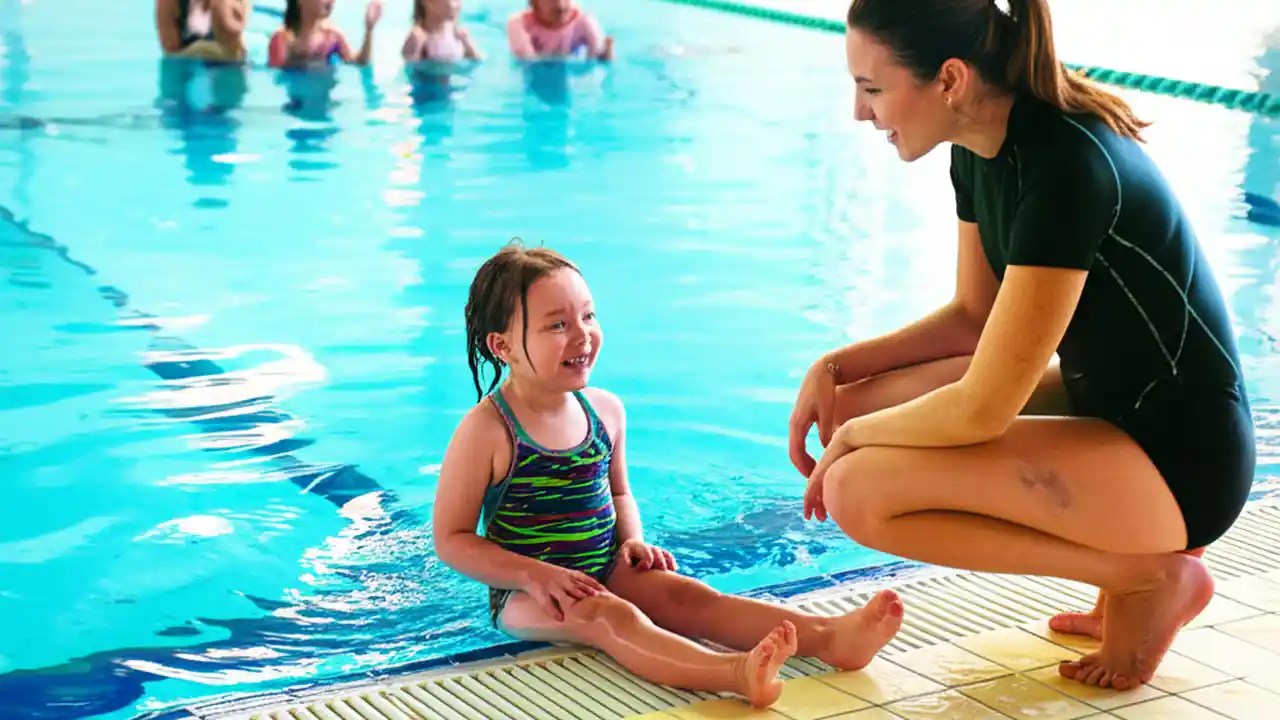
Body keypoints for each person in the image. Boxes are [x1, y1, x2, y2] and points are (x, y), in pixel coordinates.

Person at [791, 0, 1255, 692]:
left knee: (859, 488)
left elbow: (983, 408)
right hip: (1112, 403)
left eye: (872, 89)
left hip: (1182, 458)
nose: (861, 113)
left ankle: (1144, 577)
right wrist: (833, 370)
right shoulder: (983, 148)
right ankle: (1129, 571)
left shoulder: (1066, 165)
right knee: (861, 402)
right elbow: (975, 319)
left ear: (949, 79)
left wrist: (857, 437)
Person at [433, 243, 904, 708]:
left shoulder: (605, 412)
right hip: (527, 594)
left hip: (606, 566)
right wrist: (535, 576)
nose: (582, 335)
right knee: (610, 617)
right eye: (557, 324)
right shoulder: (489, 430)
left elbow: (618, 491)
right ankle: (733, 673)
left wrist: (631, 541)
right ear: (503, 346)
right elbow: (452, 539)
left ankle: (829, 637)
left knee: (693, 599)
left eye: (589, 317)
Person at [268, 0, 382, 68]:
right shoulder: (283, 40)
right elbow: (276, 77)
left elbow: (359, 62)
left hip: (327, 105)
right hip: (298, 103)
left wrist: (369, 30)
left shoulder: (332, 35)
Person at [507, 0, 613, 62]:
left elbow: (599, 61)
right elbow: (527, 63)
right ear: (534, 3)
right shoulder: (521, 24)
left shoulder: (583, 22)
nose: (560, 4)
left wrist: (605, 55)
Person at [154, 0, 249, 63]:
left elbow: (235, 53)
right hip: (183, 68)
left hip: (227, 68)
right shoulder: (168, 3)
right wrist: (202, 50)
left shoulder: (230, 5)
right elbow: (170, 54)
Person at [402, 0, 481, 64]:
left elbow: (477, 62)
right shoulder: (418, 37)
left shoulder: (458, 33)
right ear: (428, 2)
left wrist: (468, 45)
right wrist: (416, 49)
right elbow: (409, 70)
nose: (458, 3)